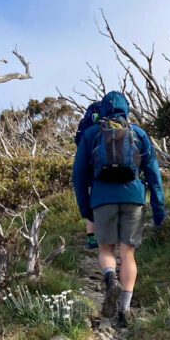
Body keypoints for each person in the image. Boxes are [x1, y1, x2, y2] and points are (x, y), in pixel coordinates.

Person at [72, 90, 165, 327]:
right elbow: (154, 173)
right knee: (128, 254)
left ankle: (110, 278)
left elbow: (79, 174)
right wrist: (158, 208)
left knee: (105, 249)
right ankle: (124, 310)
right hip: (133, 197)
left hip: (102, 198)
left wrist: (85, 207)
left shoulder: (92, 134)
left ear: (102, 109)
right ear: (127, 109)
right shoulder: (138, 133)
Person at [74, 101, 102, 249]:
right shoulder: (110, 120)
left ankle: (91, 237)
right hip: (107, 163)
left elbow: (78, 141)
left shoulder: (86, 124)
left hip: (89, 162)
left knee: (91, 197)